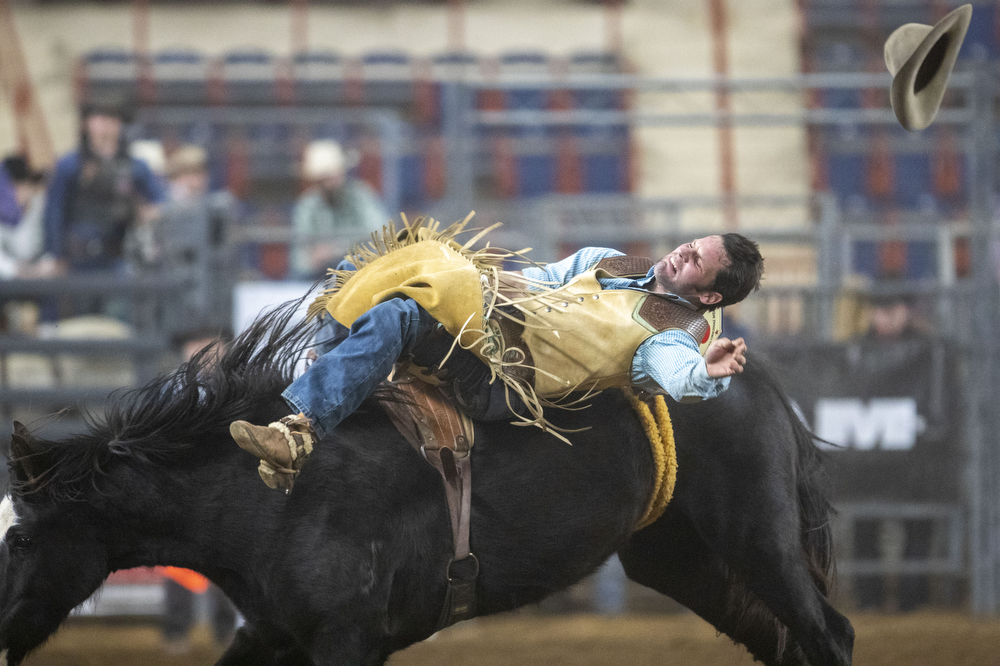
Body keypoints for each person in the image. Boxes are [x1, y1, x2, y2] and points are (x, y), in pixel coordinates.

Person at [230, 219, 763, 491]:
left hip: (505, 379)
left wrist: (709, 373)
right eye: (692, 243)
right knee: (384, 269)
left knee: (400, 313)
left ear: (711, 297)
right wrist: (475, 284)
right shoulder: (609, 261)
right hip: (491, 333)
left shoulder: (673, 332)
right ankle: (311, 409)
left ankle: (301, 432)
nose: (682, 251)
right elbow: (539, 281)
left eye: (696, 260)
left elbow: (682, 375)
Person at [42, 100, 166, 275]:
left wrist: (147, 213)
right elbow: (54, 211)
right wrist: (55, 254)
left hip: (119, 256)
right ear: (86, 123)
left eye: (112, 118)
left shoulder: (134, 166)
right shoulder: (70, 165)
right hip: (77, 259)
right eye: (99, 118)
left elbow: (161, 201)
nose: (106, 124)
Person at [151, 144, 237, 330]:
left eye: (199, 174)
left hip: (208, 299)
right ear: (174, 178)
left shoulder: (216, 211)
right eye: (187, 174)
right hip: (170, 297)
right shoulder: (160, 212)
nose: (194, 181)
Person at [289, 139, 387, 280]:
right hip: (319, 279)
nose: (332, 182)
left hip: (361, 273)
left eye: (335, 174)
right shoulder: (307, 205)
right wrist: (314, 259)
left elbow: (380, 233)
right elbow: (299, 259)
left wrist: (335, 249)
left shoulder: (360, 196)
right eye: (325, 177)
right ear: (317, 180)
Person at [0, 155, 46, 279]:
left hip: (39, 273)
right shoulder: (3, 211)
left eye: (27, 186)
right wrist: (16, 269)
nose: (25, 193)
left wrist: (41, 267)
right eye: (17, 187)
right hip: (10, 280)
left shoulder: (39, 205)